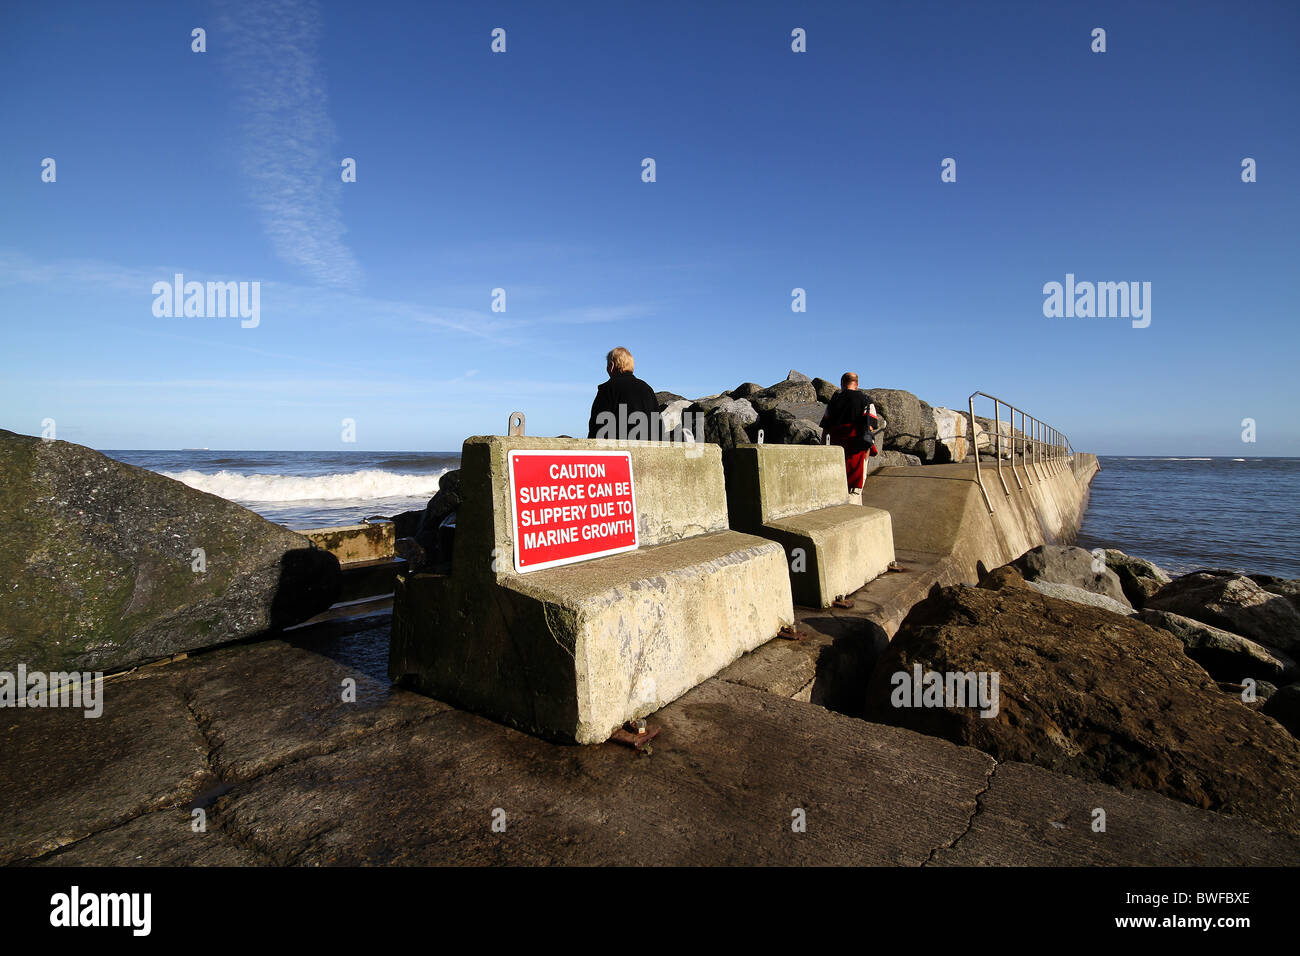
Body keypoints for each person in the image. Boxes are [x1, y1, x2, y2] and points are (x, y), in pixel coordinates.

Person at [820, 372, 878, 493]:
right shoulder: (866, 400)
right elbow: (870, 429)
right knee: (855, 491)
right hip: (857, 451)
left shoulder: (833, 401)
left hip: (837, 451)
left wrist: (823, 449)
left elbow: (826, 429)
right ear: (857, 384)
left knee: (837, 486)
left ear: (842, 383)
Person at [587, 347, 661, 440]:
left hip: (620, 451)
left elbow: (597, 428)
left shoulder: (607, 389)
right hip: (649, 450)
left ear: (611, 365)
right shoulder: (647, 389)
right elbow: (658, 426)